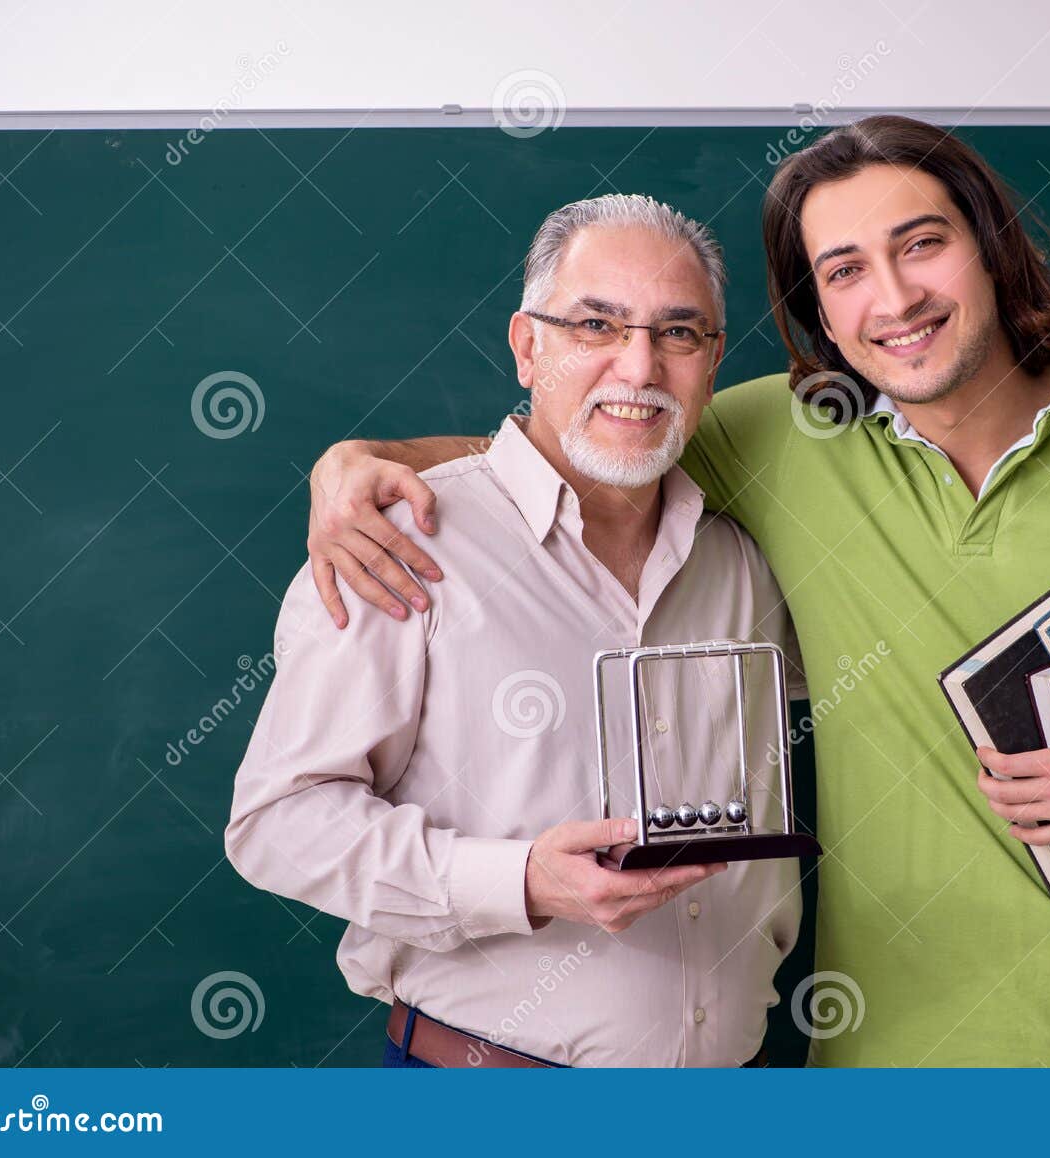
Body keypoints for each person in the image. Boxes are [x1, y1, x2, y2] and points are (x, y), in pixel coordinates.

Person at [307, 117, 1050, 1067]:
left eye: (921, 245)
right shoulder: (780, 439)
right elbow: (592, 435)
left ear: (993, 252)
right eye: (843, 271)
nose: (892, 297)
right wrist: (361, 457)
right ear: (819, 314)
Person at [226, 194, 805, 1067]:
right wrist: (521, 882)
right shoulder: (402, 542)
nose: (638, 366)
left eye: (678, 334)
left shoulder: (743, 565)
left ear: (713, 363)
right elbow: (279, 820)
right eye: (596, 325)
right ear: (528, 347)